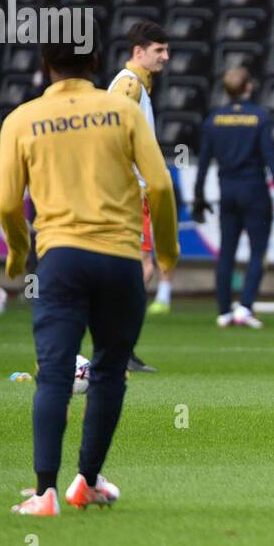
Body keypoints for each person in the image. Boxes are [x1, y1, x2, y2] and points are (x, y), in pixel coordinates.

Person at [0, 40, 178, 515]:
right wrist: (168, 249)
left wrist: (18, 255)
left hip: (61, 259)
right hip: (119, 260)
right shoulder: (123, 110)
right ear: (96, 62)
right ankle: (89, 481)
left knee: (54, 375)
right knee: (109, 372)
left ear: (45, 65)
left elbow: (6, 203)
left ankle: (44, 494)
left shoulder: (21, 119)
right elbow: (159, 184)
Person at [193, 66, 274, 329]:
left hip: (227, 191)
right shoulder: (260, 117)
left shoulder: (214, 119)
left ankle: (224, 311)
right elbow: (271, 159)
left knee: (226, 253)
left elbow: (203, 163)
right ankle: (245, 307)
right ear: (249, 87)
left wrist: (199, 196)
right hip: (255, 190)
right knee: (258, 251)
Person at [108, 20, 170, 372]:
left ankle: (119, 345)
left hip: (134, 190)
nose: (166, 56)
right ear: (138, 52)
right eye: (159, 50)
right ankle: (119, 346)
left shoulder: (136, 85)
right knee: (141, 267)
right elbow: (109, 135)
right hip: (131, 192)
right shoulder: (129, 86)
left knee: (142, 266)